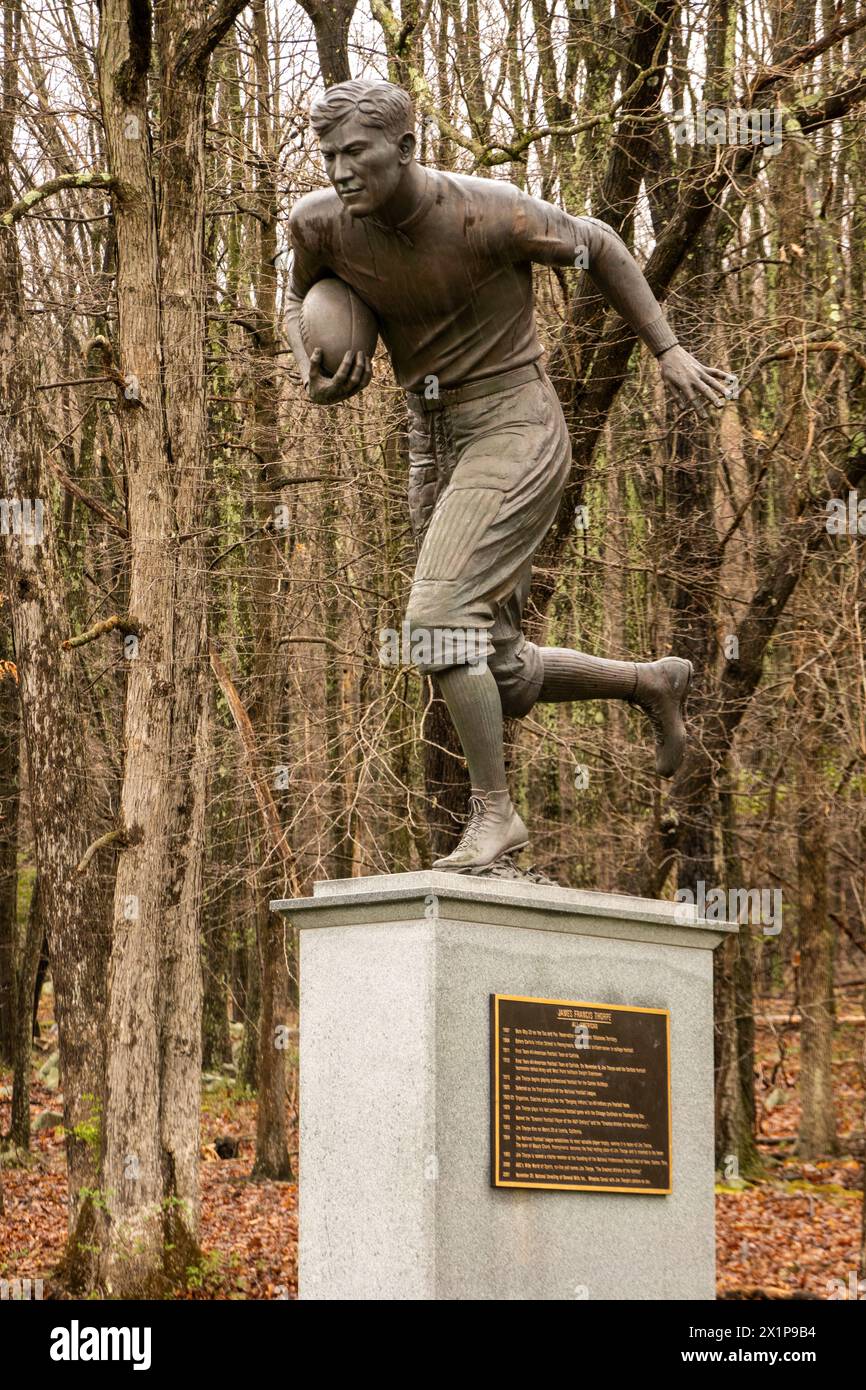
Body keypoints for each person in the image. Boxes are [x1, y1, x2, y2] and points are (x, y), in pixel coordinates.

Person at [286, 79, 735, 872]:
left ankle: (496, 818)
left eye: (357, 152)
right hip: (433, 440)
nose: (341, 169)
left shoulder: (487, 211)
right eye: (328, 156)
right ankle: (648, 683)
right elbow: (308, 302)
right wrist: (312, 367)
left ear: (407, 148)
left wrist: (667, 350)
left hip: (516, 424)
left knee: (434, 617)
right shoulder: (319, 223)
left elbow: (600, 242)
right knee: (493, 663)